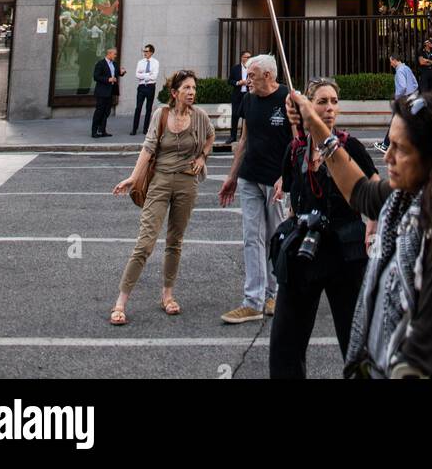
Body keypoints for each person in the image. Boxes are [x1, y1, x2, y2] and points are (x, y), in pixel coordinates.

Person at [289, 89, 432, 378]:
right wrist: (316, 127)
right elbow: (360, 192)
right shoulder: (403, 197)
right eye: (389, 145)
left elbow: (418, 355)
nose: (388, 158)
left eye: (401, 149)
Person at [268, 77, 378, 379]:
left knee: (357, 342)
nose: (329, 108)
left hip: (345, 255)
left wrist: (373, 225)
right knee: (285, 345)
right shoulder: (296, 150)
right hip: (304, 251)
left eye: (334, 102)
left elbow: (375, 190)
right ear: (309, 107)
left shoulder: (350, 146)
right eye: (321, 102)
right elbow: (292, 195)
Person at [110, 70, 215, 323]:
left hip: (187, 183)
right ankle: (120, 302)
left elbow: (211, 137)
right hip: (160, 181)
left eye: (194, 88)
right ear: (174, 92)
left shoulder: (199, 116)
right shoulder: (161, 115)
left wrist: (202, 157)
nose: (192, 92)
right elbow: (148, 149)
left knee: (174, 241)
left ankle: (167, 295)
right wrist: (133, 178)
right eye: (187, 88)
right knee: (144, 243)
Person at [218, 53, 291, 323]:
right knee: (252, 237)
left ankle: (275, 294)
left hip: (277, 181)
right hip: (250, 177)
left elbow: (298, 141)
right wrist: (232, 176)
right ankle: (253, 300)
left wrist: (288, 175)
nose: (246, 80)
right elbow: (244, 140)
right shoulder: (249, 100)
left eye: (251, 76)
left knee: (276, 238)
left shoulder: (287, 99)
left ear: (268, 76)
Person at [374, 54, 418, 154]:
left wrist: (397, 97)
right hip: (411, 97)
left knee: (395, 121)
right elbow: (415, 84)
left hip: (403, 99)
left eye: (391, 61)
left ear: (394, 60)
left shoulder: (399, 71)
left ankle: (386, 145)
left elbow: (402, 87)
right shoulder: (407, 68)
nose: (390, 64)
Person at [92, 47, 125, 138]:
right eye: (114, 54)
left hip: (111, 92)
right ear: (109, 53)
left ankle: (102, 130)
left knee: (106, 112)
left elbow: (118, 73)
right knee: (99, 111)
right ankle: (94, 131)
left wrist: (122, 72)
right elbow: (96, 77)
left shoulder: (114, 64)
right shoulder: (100, 63)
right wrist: (108, 79)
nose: (115, 56)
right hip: (102, 92)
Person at [131, 44, 159, 136]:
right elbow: (137, 75)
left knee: (148, 109)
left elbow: (154, 76)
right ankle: (134, 129)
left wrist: (143, 75)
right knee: (138, 107)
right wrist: (148, 75)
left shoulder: (155, 62)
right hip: (141, 87)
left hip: (150, 87)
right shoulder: (140, 62)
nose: (144, 53)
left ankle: (145, 129)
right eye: (144, 51)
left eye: (146, 51)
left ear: (151, 52)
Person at [228, 49, 252, 140]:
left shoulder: (252, 68)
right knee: (235, 115)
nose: (249, 58)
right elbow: (230, 81)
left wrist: (250, 82)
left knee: (246, 116)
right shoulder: (235, 68)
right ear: (242, 58)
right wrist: (238, 82)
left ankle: (244, 137)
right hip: (237, 95)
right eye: (247, 57)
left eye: (250, 57)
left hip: (247, 95)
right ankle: (232, 136)